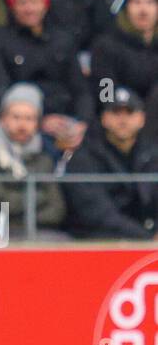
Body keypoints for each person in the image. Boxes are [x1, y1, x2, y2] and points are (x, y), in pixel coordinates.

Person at [0, 0, 90, 150]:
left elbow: (81, 89)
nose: (29, 9)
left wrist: (83, 123)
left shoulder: (63, 39)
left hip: (66, 119)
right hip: (23, 125)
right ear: (12, 5)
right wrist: (38, 120)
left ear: (45, 3)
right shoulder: (0, 40)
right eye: (22, 2)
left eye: (35, 1)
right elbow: (0, 90)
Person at [62, 87, 158, 239]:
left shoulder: (152, 155)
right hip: (96, 242)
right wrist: (145, 237)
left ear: (142, 119)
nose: (123, 120)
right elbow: (95, 212)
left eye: (129, 112)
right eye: (116, 113)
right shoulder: (84, 157)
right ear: (104, 118)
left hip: (145, 240)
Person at [0, 83, 67, 238]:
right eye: (16, 117)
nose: (22, 125)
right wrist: (37, 197)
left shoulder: (45, 157)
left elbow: (56, 210)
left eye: (29, 118)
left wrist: (17, 213)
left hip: (40, 231)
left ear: (37, 123)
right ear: (3, 118)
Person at [88, 0, 158, 139]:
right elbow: (105, 92)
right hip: (120, 121)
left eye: (150, 2)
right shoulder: (106, 46)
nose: (143, 10)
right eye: (136, 2)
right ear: (126, 8)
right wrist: (127, 112)